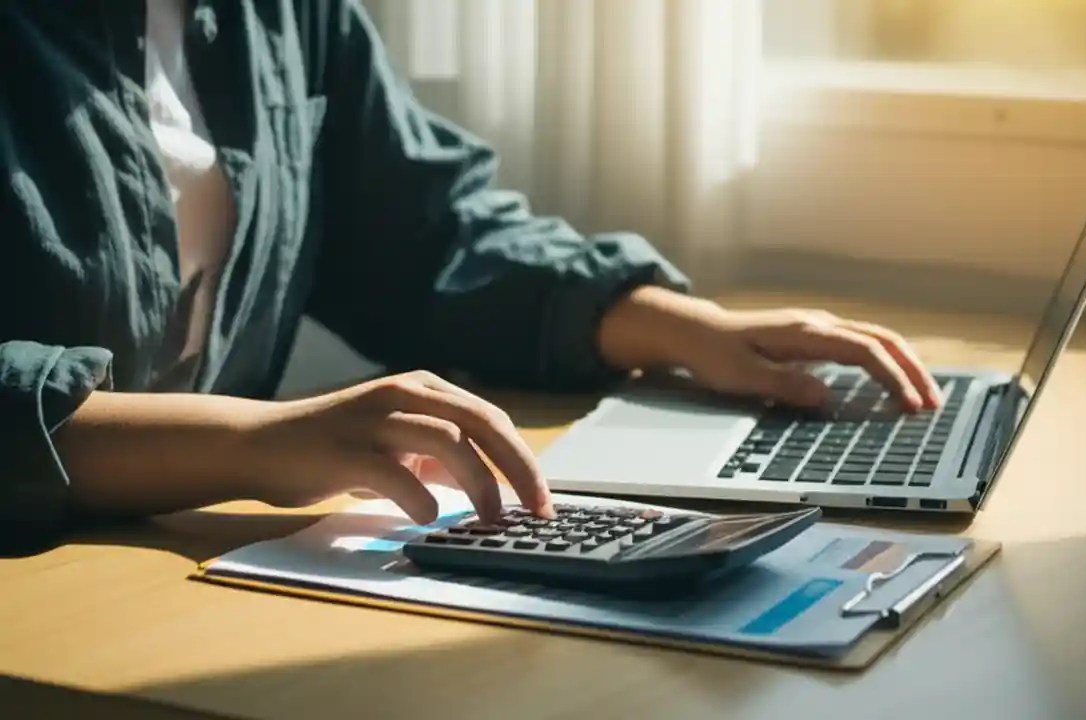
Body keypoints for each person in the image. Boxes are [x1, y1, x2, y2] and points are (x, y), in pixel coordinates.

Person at [0, 0, 940, 551]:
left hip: (163, 564)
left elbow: (419, 234)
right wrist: (256, 443)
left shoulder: (283, 14)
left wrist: (677, 328)